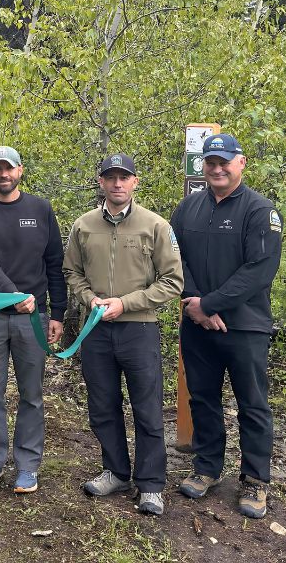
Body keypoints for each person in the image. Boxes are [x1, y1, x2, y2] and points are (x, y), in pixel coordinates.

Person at [62, 154, 183, 516]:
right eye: (110, 177)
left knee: (147, 410)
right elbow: (72, 272)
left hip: (139, 329)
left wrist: (125, 303)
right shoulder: (83, 226)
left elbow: (173, 282)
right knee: (102, 406)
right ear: (100, 182)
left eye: (124, 177)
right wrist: (92, 299)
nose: (117, 184)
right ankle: (116, 471)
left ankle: (150, 485)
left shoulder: (156, 226)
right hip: (96, 331)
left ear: (135, 182)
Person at [170, 133, 282, 519]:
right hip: (197, 324)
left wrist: (211, 303)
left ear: (241, 163)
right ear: (203, 166)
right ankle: (206, 467)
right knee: (202, 398)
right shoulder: (187, 208)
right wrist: (195, 304)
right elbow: (172, 259)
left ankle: (255, 480)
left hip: (245, 327)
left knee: (252, 404)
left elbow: (260, 270)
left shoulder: (259, 210)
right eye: (210, 162)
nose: (217, 168)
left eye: (224, 162)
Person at [0, 146, 67, 494]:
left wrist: (58, 313)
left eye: (9, 169)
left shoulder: (40, 209)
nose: (3, 175)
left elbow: (54, 262)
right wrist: (13, 295)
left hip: (32, 319)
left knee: (31, 394)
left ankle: (27, 464)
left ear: (20, 170)